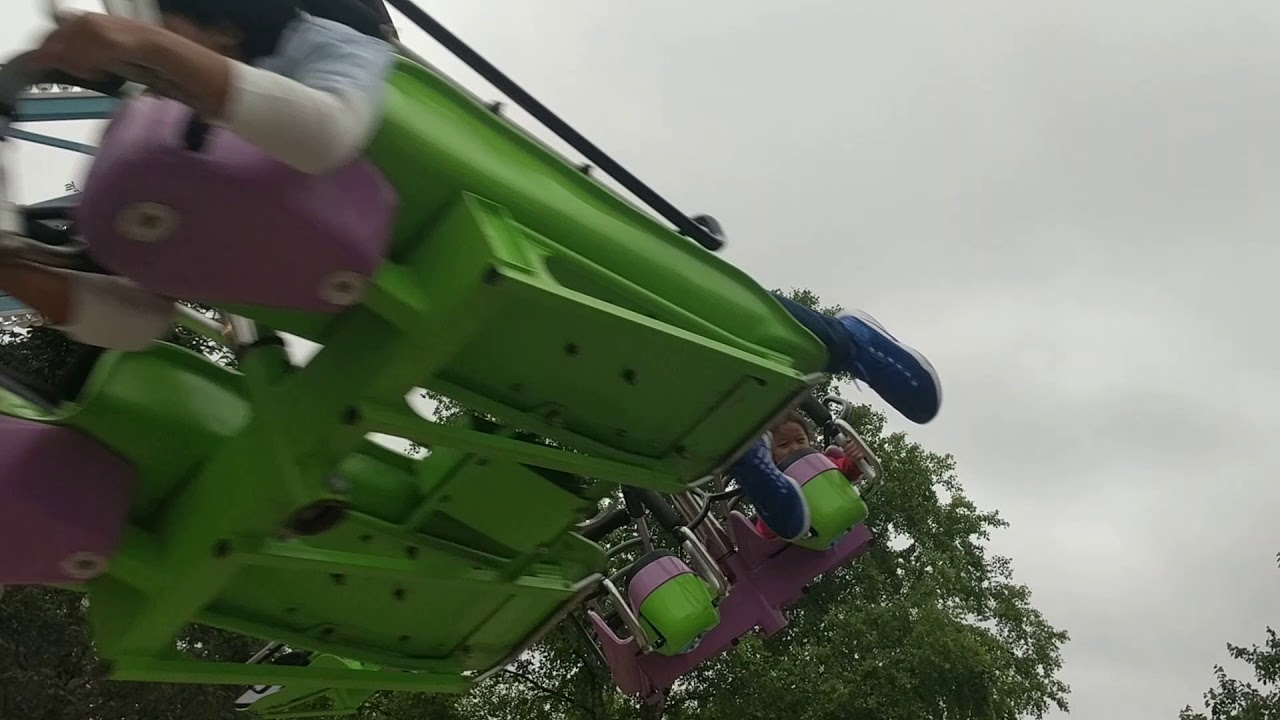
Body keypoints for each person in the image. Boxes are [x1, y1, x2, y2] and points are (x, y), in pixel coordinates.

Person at [1, 0, 941, 539]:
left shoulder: (310, 36)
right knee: (613, 379)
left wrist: (134, 44)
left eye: (179, 25)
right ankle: (740, 439)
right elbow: (140, 322)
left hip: (493, 209)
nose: (167, 38)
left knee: (656, 295)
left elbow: (326, 128)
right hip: (434, 306)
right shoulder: (183, 142)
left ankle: (834, 343)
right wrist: (21, 273)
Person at [0, 0, 395, 349]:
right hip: (307, 279)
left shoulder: (326, 39)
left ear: (223, 27)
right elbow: (137, 323)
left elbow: (325, 137)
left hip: (387, 223)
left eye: (161, 26)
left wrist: (149, 44)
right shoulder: (172, 126)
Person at [749, 411, 866, 541]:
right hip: (798, 542)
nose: (795, 448)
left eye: (800, 440)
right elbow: (766, 531)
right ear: (769, 454)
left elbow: (848, 469)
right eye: (784, 445)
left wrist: (855, 457)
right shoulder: (774, 484)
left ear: (809, 441)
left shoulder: (823, 464)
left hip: (838, 518)